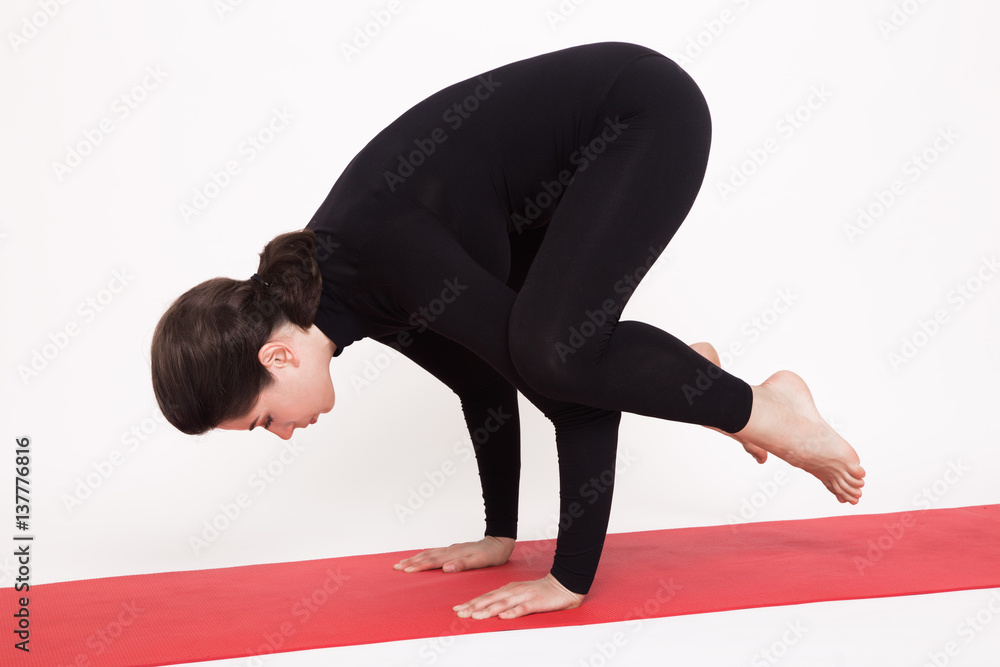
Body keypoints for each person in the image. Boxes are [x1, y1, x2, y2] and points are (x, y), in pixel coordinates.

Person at [151, 42, 865, 621]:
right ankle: (685, 374)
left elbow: (568, 389)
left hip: (643, 114)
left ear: (276, 355)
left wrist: (570, 577)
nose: (281, 433)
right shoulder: (344, 296)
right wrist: (500, 535)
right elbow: (483, 379)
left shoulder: (382, 255)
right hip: (565, 171)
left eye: (263, 419)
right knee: (556, 352)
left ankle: (765, 407)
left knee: (558, 354)